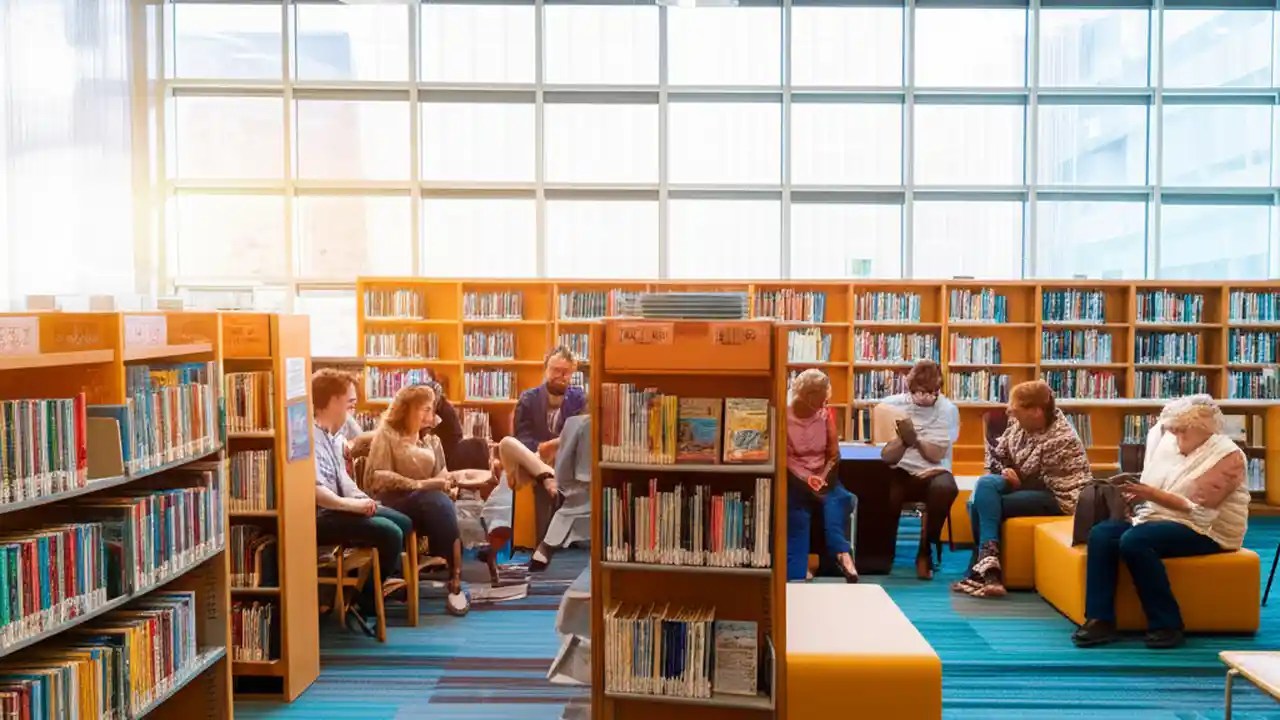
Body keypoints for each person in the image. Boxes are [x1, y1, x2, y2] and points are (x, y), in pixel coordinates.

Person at [1073, 397, 1248, 650]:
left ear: (1204, 429)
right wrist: (1135, 497)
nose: (1176, 434)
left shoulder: (1228, 456)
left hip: (1208, 530)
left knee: (1136, 541)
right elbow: (1153, 486)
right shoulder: (1169, 442)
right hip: (1157, 517)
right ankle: (1100, 619)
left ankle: (1167, 624)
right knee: (1102, 534)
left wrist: (1151, 495)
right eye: (1174, 429)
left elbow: (1200, 513)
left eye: (1182, 430)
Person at [953, 380, 1091, 598]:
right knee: (985, 486)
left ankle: (982, 570)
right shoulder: (1020, 424)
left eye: (1016, 409)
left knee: (980, 503)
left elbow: (1042, 480)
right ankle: (988, 566)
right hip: (1023, 482)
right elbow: (998, 456)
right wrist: (1006, 470)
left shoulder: (1061, 438)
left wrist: (1017, 481)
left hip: (1059, 496)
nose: (1010, 412)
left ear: (1036, 411)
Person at [363, 384, 478, 616]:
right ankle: (453, 579)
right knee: (436, 501)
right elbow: (376, 478)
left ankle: (454, 578)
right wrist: (421, 485)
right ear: (407, 410)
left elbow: (442, 476)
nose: (430, 416)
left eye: (431, 410)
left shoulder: (432, 441)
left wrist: (452, 483)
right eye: (424, 410)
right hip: (395, 502)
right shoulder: (387, 435)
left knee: (442, 502)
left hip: (428, 503)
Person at [311, 369, 412, 623]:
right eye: (350, 402)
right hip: (322, 515)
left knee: (405, 522)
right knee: (391, 533)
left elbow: (343, 480)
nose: (353, 409)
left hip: (340, 507)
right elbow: (317, 492)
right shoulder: (310, 440)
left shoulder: (335, 437)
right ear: (333, 401)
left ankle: (381, 581)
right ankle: (364, 600)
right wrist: (353, 507)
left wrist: (363, 500)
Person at [876, 360, 961, 580]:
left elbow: (937, 454)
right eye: (919, 392)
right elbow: (886, 456)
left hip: (933, 471)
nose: (925, 397)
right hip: (901, 470)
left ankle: (926, 550)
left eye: (931, 393)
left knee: (945, 489)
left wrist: (916, 440)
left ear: (938, 390)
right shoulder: (892, 406)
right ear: (910, 389)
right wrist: (903, 442)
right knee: (884, 490)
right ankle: (883, 554)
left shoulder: (947, 410)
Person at [785, 369, 858, 583]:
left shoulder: (824, 415)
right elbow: (785, 459)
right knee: (797, 514)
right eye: (822, 400)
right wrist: (806, 480)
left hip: (823, 477)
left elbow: (834, 455)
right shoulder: (784, 417)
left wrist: (823, 479)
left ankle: (842, 554)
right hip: (795, 479)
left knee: (837, 500)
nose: (825, 405)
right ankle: (796, 573)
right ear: (809, 398)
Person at [514, 346, 587, 555]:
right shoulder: (528, 399)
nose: (560, 376)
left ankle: (563, 540)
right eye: (555, 370)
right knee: (542, 478)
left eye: (565, 372)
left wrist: (556, 447)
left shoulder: (579, 399)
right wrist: (542, 451)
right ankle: (546, 540)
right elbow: (521, 437)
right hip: (536, 458)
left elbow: (582, 433)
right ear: (546, 369)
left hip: (568, 459)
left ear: (572, 373)